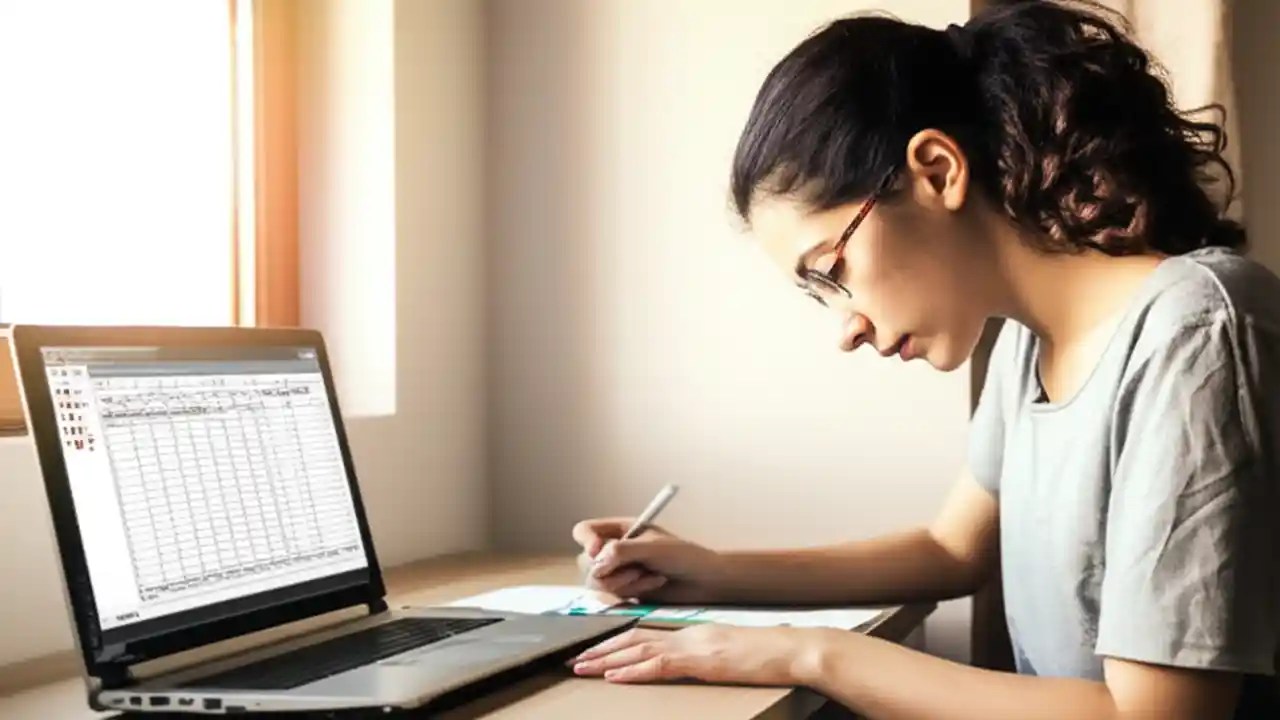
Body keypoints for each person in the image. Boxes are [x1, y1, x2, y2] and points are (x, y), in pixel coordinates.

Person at [567, 1, 1280, 718]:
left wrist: (809, 653)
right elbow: (950, 549)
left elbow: (1154, 716)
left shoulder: (1200, 329)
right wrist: (708, 573)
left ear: (936, 170)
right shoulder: (1029, 342)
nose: (847, 328)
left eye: (832, 268)